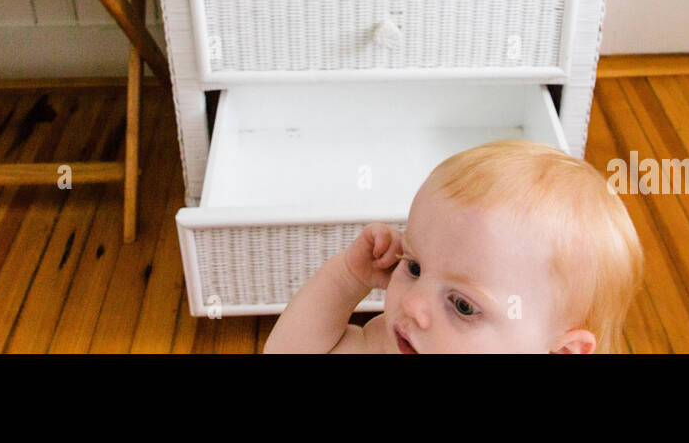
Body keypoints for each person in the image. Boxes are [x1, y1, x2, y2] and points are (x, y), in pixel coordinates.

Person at [263, 139, 643, 353]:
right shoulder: (388, 344)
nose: (412, 304)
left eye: (462, 306)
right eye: (414, 267)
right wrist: (346, 278)